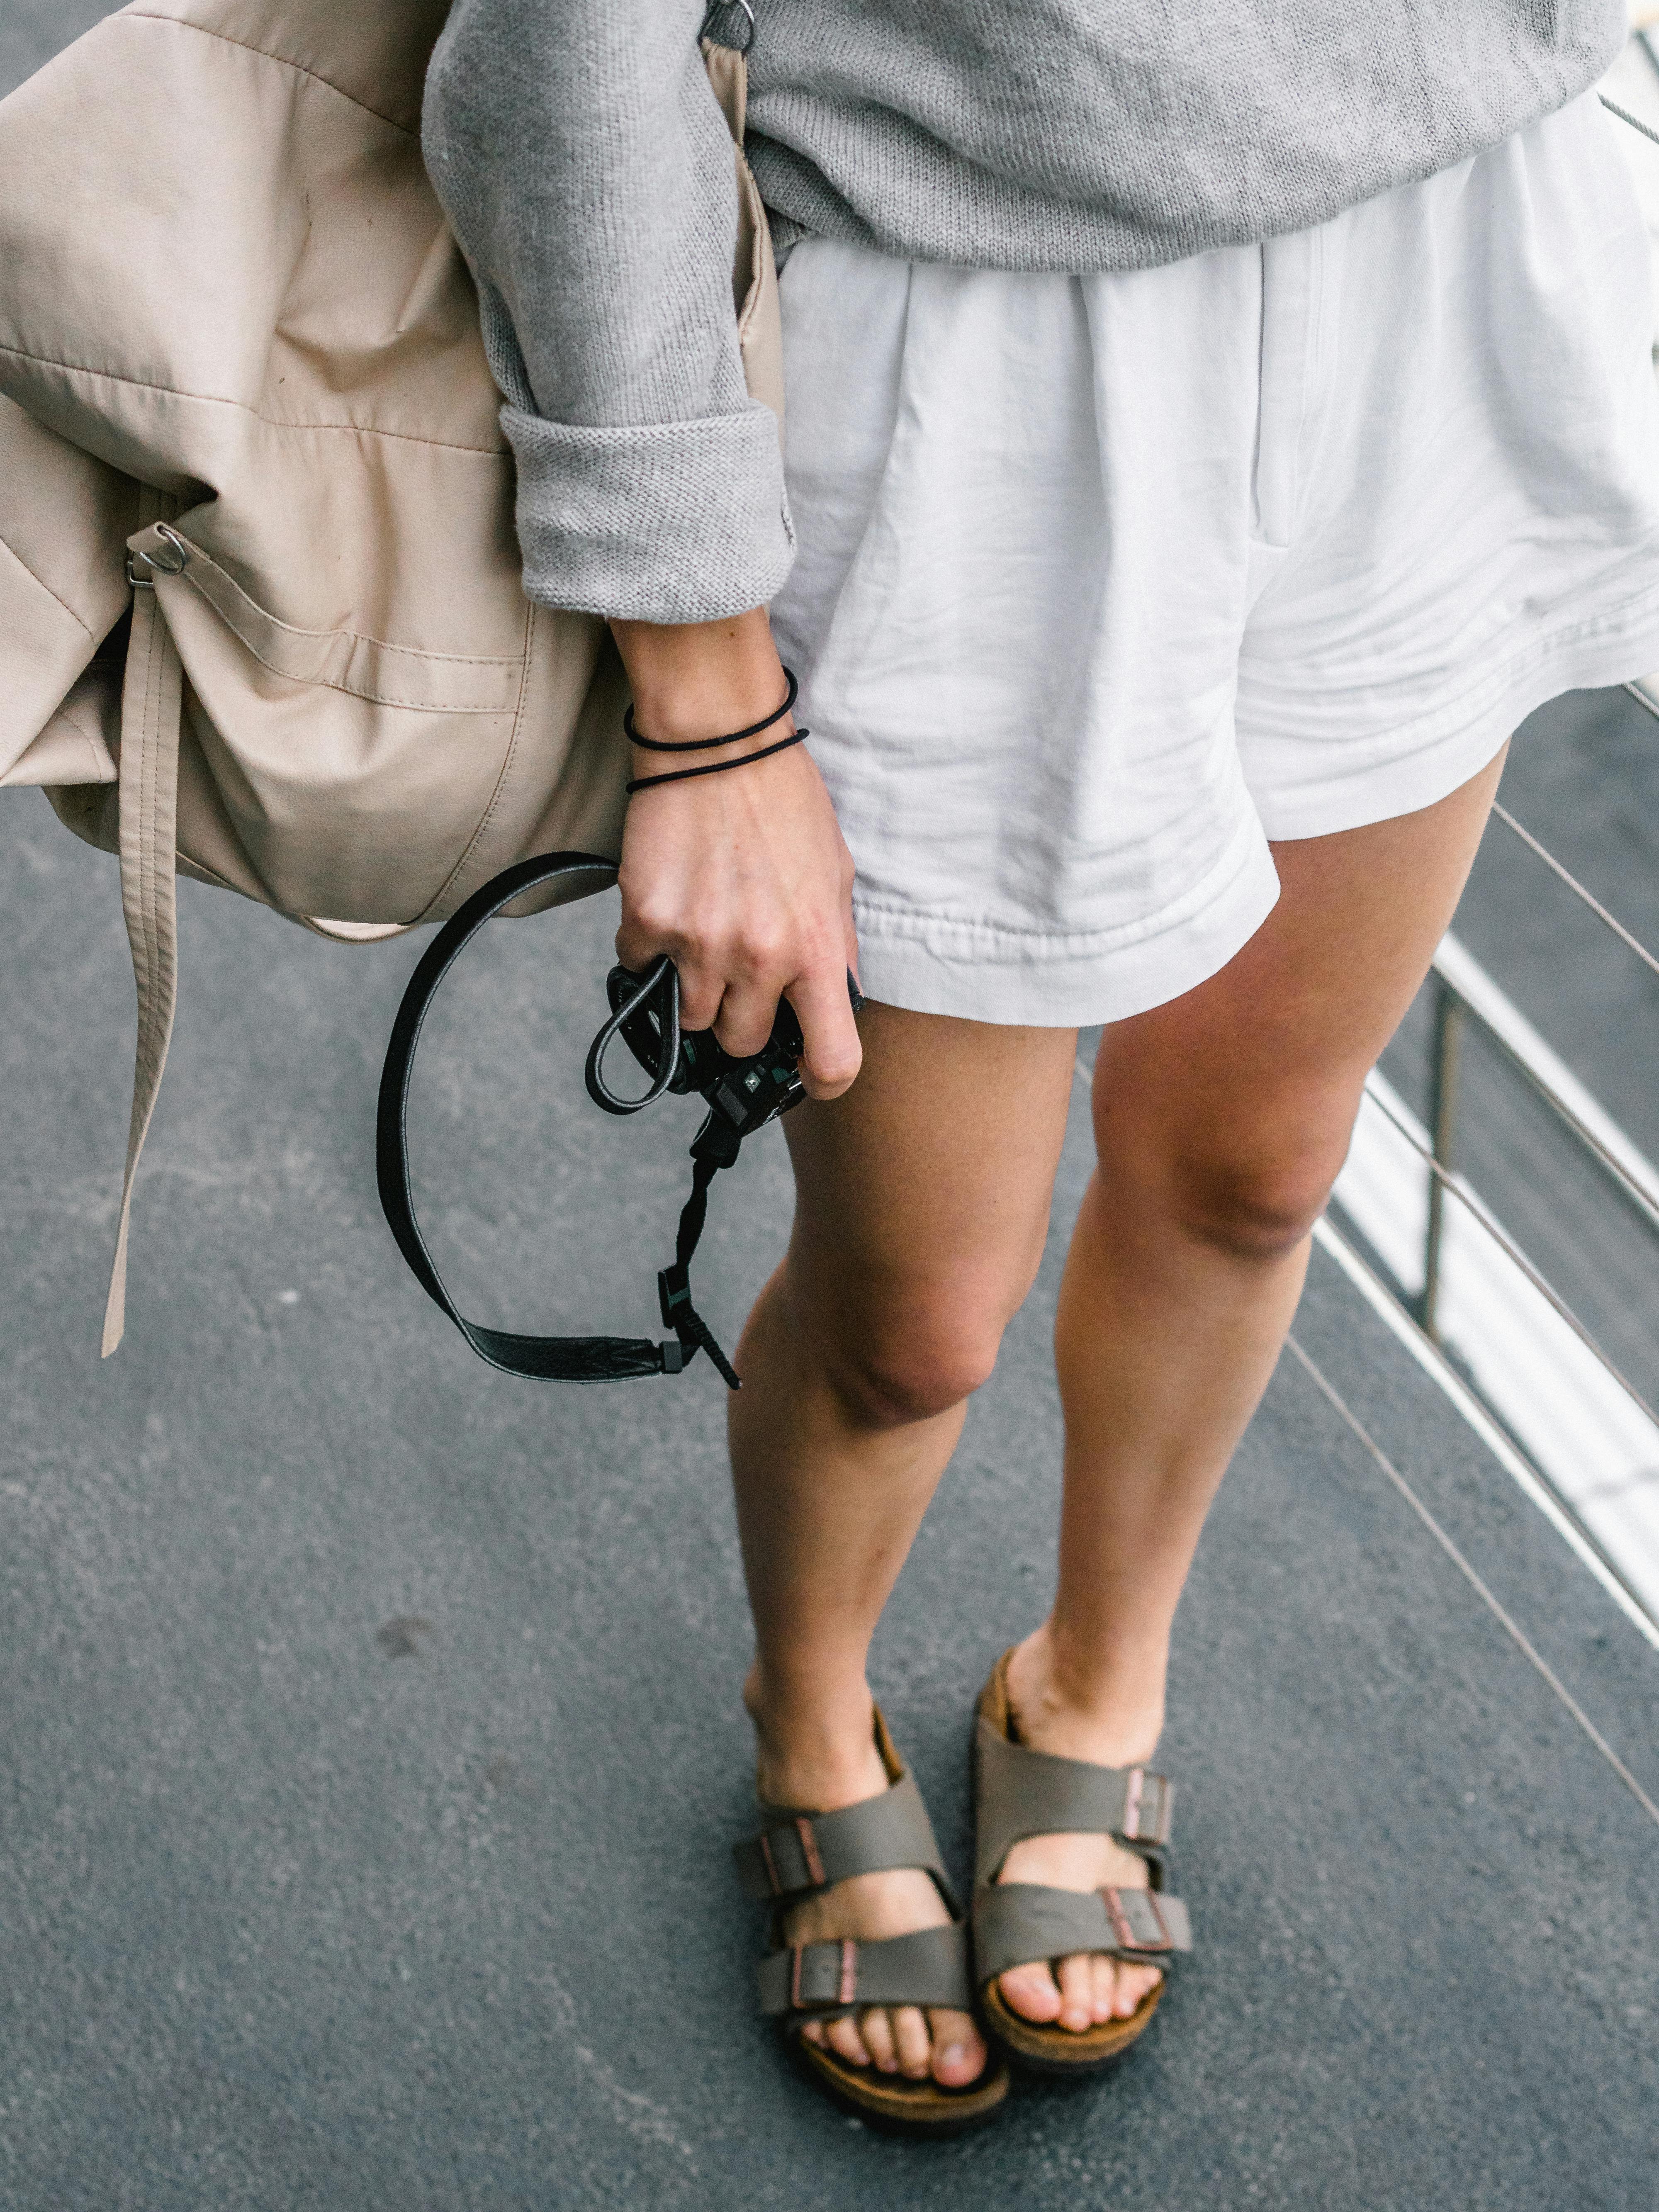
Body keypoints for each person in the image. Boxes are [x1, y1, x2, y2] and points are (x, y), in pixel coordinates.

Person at [423, 0, 1659, 2129]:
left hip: (1437, 247)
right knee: (915, 1310)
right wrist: (704, 681)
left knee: (1259, 1165)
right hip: (974, 325)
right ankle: (813, 1714)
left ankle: (1095, 1676)